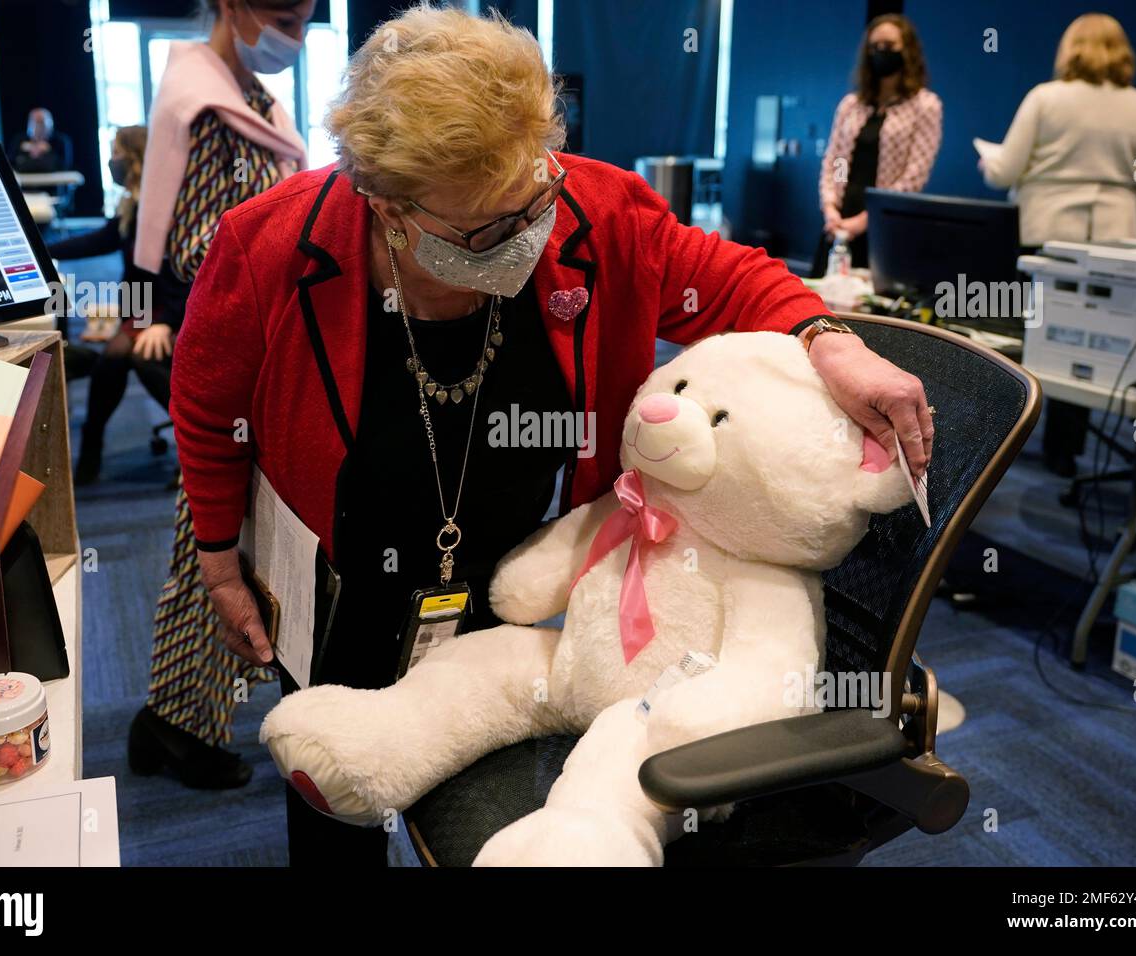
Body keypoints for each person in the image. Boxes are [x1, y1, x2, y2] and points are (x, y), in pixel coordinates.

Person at [168, 5, 933, 867]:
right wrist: (218, 558)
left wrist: (831, 342)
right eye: (485, 231)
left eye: (535, 199)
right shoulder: (268, 246)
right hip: (341, 572)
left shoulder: (594, 211)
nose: (529, 241)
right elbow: (206, 407)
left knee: (483, 766)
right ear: (385, 205)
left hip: (513, 572)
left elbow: (734, 279)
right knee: (332, 783)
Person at [125, 0, 311, 789]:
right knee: (210, 539)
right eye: (282, 16)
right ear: (231, 7)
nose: (293, 38)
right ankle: (174, 725)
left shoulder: (254, 103)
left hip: (260, 351)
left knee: (223, 537)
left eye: (305, 19)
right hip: (233, 356)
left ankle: (179, 717)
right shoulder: (209, 109)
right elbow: (210, 251)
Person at [980, 13, 1136, 477]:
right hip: (1116, 241)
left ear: (1070, 49)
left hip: (1049, 232)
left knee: (1040, 337)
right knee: (1092, 345)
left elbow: (1004, 171)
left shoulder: (1046, 98)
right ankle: (1068, 451)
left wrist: (989, 160)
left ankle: (1016, 438)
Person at [44, 126, 162, 485]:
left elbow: (179, 279)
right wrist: (43, 249)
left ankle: (92, 448)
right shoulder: (133, 203)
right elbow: (102, 239)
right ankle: (91, 446)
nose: (111, 161)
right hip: (140, 302)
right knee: (114, 357)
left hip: (165, 307)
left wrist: (164, 322)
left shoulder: (159, 207)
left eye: (116, 152)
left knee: (115, 356)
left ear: (135, 158)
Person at [816, 14, 942, 274]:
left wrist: (863, 222)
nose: (880, 53)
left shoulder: (925, 106)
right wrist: (830, 209)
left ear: (907, 51)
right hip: (839, 222)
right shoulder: (851, 105)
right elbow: (834, 161)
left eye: (889, 46)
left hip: (884, 224)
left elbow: (913, 178)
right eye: (874, 47)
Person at [9, 108, 73, 174]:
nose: (38, 126)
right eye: (34, 122)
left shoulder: (60, 140)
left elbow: (64, 166)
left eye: (41, 122)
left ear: (51, 123)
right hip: (25, 182)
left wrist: (48, 151)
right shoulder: (19, 140)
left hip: (53, 182)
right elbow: (11, 164)